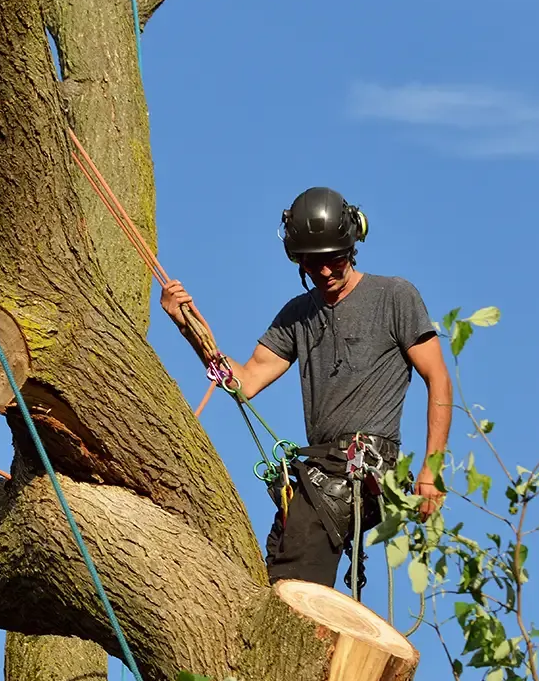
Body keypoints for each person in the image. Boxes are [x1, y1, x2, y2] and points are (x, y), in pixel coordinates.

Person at [160, 187, 453, 589]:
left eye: (333, 260)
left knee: (299, 559)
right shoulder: (298, 315)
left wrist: (431, 471)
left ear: (352, 246)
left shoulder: (394, 296)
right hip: (319, 465)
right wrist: (186, 326)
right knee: (281, 551)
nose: (326, 273)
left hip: (365, 462)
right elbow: (245, 381)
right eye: (313, 265)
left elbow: (438, 378)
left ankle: (300, 638)